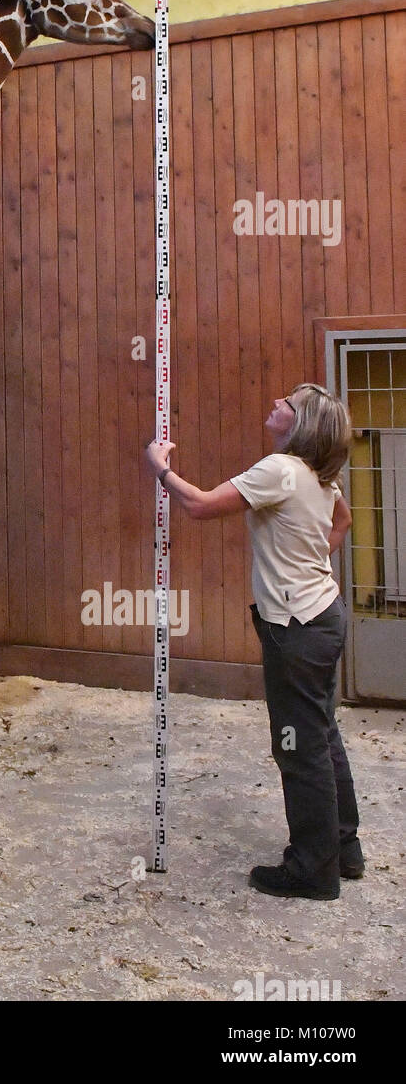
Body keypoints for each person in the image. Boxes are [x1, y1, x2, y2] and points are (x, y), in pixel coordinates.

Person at [144, 383, 361, 899]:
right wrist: (308, 566)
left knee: (298, 746)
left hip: (297, 629)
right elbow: (344, 520)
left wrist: (159, 466)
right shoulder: (318, 477)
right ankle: (342, 849)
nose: (275, 404)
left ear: (301, 423)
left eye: (286, 403)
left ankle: (313, 871)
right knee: (321, 732)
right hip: (323, 615)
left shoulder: (280, 470)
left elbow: (198, 506)